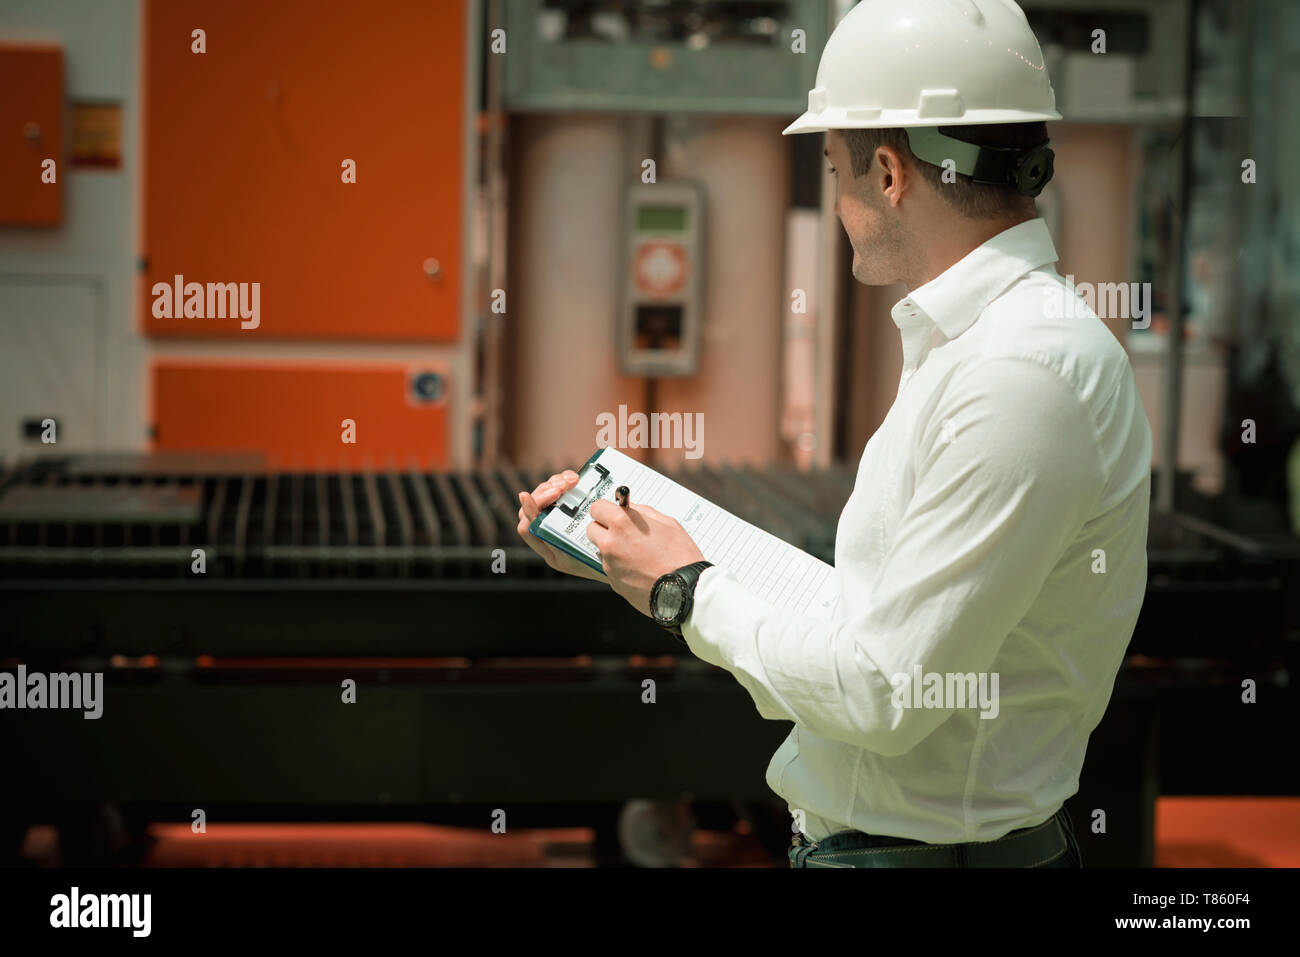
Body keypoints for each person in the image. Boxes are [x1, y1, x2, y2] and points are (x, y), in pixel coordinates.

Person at [517, 0, 1151, 868]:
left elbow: (888, 694)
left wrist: (686, 591)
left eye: (834, 170)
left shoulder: (1018, 373)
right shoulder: (975, 346)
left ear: (889, 173)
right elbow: (879, 633)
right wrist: (649, 558)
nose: (841, 201)